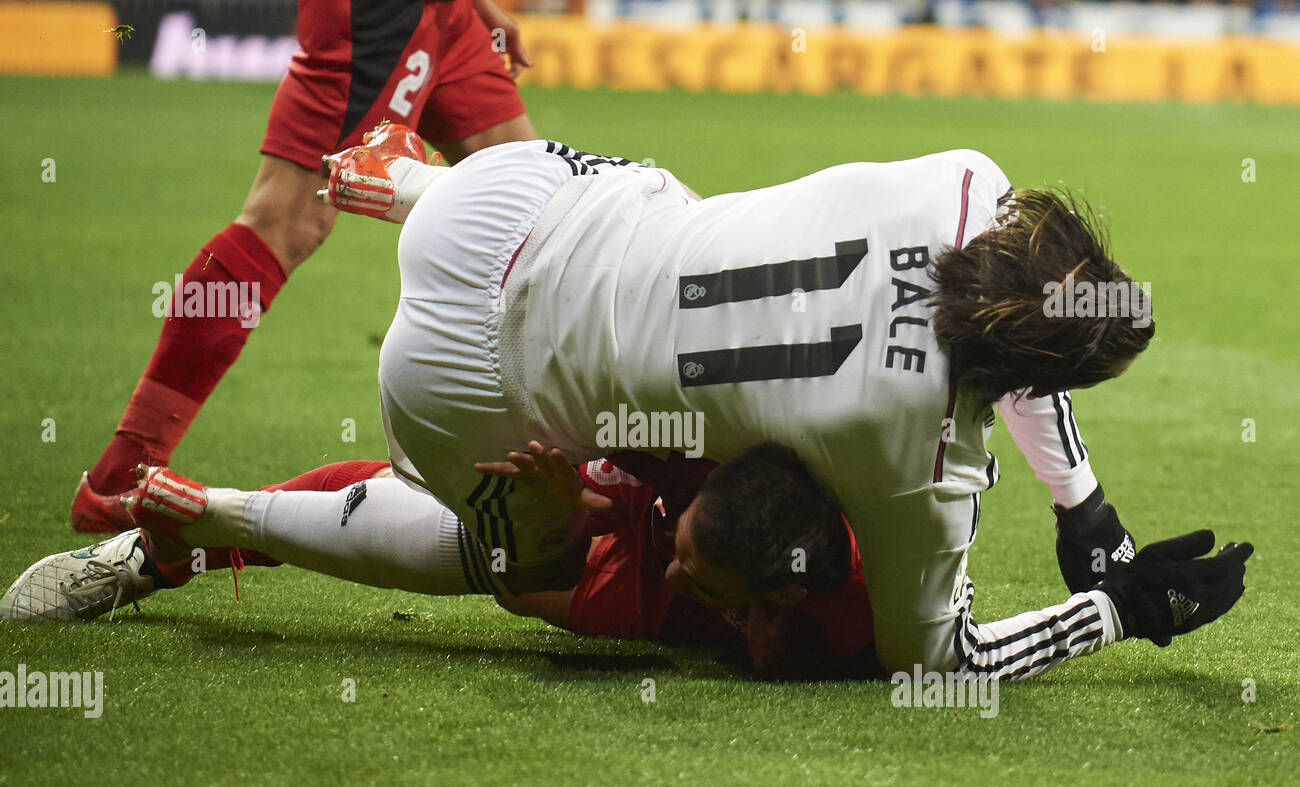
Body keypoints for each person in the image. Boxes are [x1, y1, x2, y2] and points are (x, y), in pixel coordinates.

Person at [320, 127, 1254, 677]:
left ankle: (408, 184)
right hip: (453, 385)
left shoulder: (966, 183)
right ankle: (244, 522)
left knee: (667, 207)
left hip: (511, 195)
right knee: (527, 562)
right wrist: (1119, 605)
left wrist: (1083, 505)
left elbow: (1026, 308)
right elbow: (941, 661)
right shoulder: (910, 457)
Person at [71, 0, 538, 533]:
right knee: (285, 221)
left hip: (445, 16)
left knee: (529, 203)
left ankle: (570, 466)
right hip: (381, 16)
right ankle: (122, 474)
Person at [3, 447, 879, 681]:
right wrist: (572, 485)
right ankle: (180, 545)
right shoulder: (713, 441)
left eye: (709, 587)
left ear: (780, 597)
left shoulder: (658, 602)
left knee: (495, 546)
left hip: (602, 547)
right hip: (630, 471)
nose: (685, 575)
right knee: (421, 477)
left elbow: (531, 594)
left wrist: (538, 528)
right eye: (686, 555)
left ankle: (161, 553)